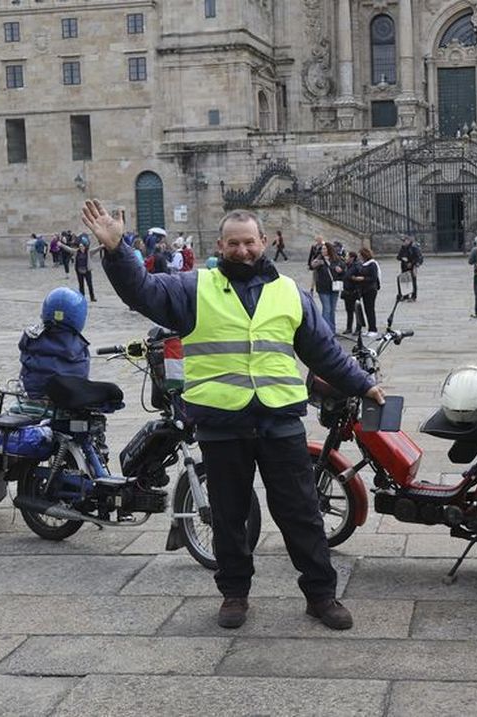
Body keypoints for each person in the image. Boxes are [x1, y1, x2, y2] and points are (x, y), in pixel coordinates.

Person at [86, 202, 384, 631]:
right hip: (222, 423)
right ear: (220, 246)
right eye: (233, 243)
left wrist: (362, 383)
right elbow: (143, 291)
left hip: (279, 421)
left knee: (301, 512)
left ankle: (321, 595)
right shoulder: (194, 287)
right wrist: (117, 250)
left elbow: (324, 352)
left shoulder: (289, 292)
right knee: (229, 515)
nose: (242, 250)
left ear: (263, 242)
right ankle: (234, 593)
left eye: (249, 242)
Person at [19, 287, 91, 398]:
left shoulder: (33, 336)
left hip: (32, 391)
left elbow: (22, 346)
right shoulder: (76, 346)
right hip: (66, 396)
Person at [310, 242, 345, 333]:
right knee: (327, 308)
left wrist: (340, 270)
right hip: (323, 287)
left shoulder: (337, 259)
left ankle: (332, 329)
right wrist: (315, 264)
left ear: (330, 250)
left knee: (332, 309)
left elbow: (343, 268)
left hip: (334, 287)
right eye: (322, 249)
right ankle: (325, 331)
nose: (323, 251)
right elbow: (312, 266)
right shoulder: (319, 259)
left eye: (325, 249)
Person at [352, 247, 381, 335]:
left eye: (360, 255)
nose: (359, 256)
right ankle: (369, 329)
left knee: (370, 309)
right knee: (366, 309)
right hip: (364, 289)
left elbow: (373, 277)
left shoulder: (372, 264)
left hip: (371, 289)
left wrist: (363, 278)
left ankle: (373, 329)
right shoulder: (363, 264)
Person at [396, 236, 423, 302]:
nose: (403, 242)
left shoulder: (414, 248)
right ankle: (405, 295)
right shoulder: (403, 248)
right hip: (404, 267)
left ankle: (413, 296)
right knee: (404, 281)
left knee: (413, 281)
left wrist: (413, 263)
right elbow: (398, 257)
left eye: (404, 241)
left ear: (409, 241)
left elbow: (418, 258)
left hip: (412, 267)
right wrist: (402, 258)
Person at [341, 251, 361, 335]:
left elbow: (351, 276)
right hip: (346, 291)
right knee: (349, 310)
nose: (346, 258)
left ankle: (358, 328)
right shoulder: (347, 266)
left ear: (352, 258)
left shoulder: (356, 266)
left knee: (356, 310)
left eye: (347, 257)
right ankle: (349, 327)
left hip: (354, 291)